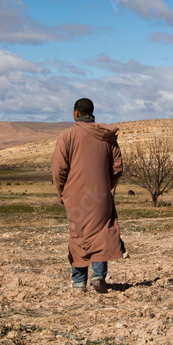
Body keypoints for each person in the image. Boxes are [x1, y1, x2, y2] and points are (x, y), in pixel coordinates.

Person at [51, 98, 124, 293]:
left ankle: (79, 281)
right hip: (101, 193)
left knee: (79, 234)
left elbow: (59, 169)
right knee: (101, 231)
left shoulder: (67, 135)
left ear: (75, 113)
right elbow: (117, 167)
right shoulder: (107, 136)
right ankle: (99, 276)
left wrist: (61, 192)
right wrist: (106, 186)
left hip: (75, 194)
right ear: (92, 113)